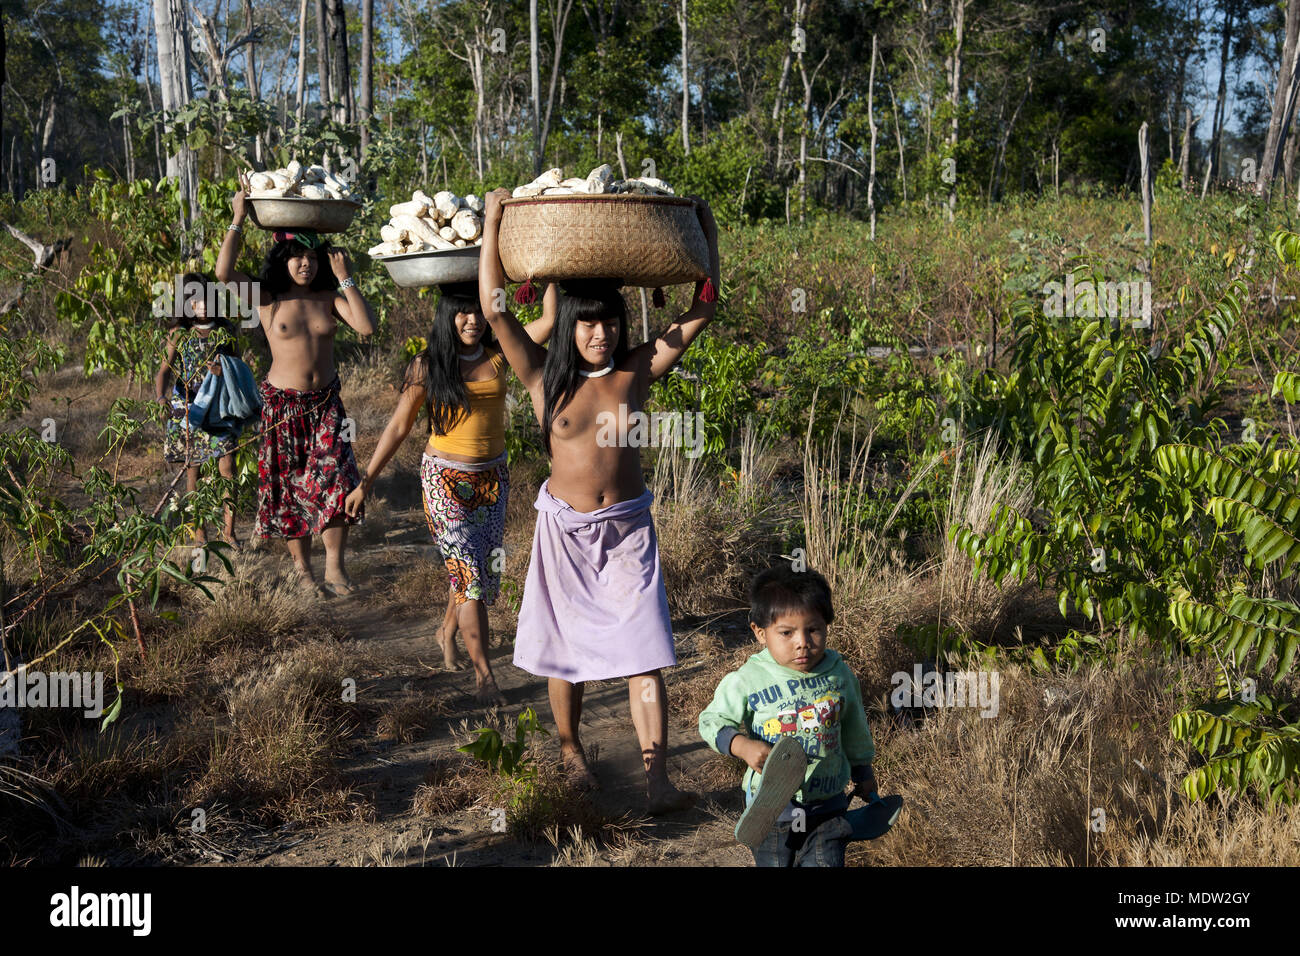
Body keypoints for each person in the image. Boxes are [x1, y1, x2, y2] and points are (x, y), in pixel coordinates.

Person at [477, 186, 719, 814]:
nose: (601, 332)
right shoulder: (540, 376)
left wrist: (706, 231)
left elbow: (703, 308)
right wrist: (493, 220)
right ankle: (571, 753)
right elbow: (494, 309)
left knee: (646, 651)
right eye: (588, 320)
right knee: (566, 654)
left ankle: (656, 778)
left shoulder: (636, 370)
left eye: (610, 319)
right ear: (569, 325)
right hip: (565, 531)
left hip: (628, 532)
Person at [344, 282, 555, 705]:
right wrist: (366, 479)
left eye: (479, 311)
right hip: (443, 481)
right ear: (447, 315)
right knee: (472, 580)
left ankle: (447, 630)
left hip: (492, 479)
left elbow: (549, 320)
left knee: (473, 570)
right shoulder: (427, 366)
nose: (473, 320)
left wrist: (546, 274)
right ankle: (484, 677)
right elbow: (399, 426)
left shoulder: (501, 353)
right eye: (462, 313)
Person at [216, 173, 377, 596]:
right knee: (288, 488)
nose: (305, 264)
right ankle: (304, 571)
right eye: (296, 256)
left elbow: (365, 326)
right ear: (282, 258)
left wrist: (345, 277)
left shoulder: (329, 297)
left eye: (312, 257)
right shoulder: (267, 298)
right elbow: (223, 272)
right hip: (281, 406)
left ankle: (335, 569)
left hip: (326, 404)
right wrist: (238, 217)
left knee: (337, 479)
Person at [698, 565, 878, 867]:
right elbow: (711, 721)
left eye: (813, 629)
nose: (802, 642)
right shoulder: (749, 678)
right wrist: (742, 746)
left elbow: (854, 727)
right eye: (786, 632)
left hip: (828, 805)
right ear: (760, 632)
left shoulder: (838, 674)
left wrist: (863, 770)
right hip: (771, 811)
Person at [154, 272, 242, 548]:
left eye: (206, 300)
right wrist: (160, 397)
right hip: (189, 407)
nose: (201, 305)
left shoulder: (225, 330)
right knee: (194, 471)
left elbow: (237, 367)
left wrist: (223, 371)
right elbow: (164, 371)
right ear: (186, 303)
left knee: (228, 466)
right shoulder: (178, 334)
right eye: (195, 300)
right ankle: (199, 531)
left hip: (220, 407)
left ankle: (229, 532)